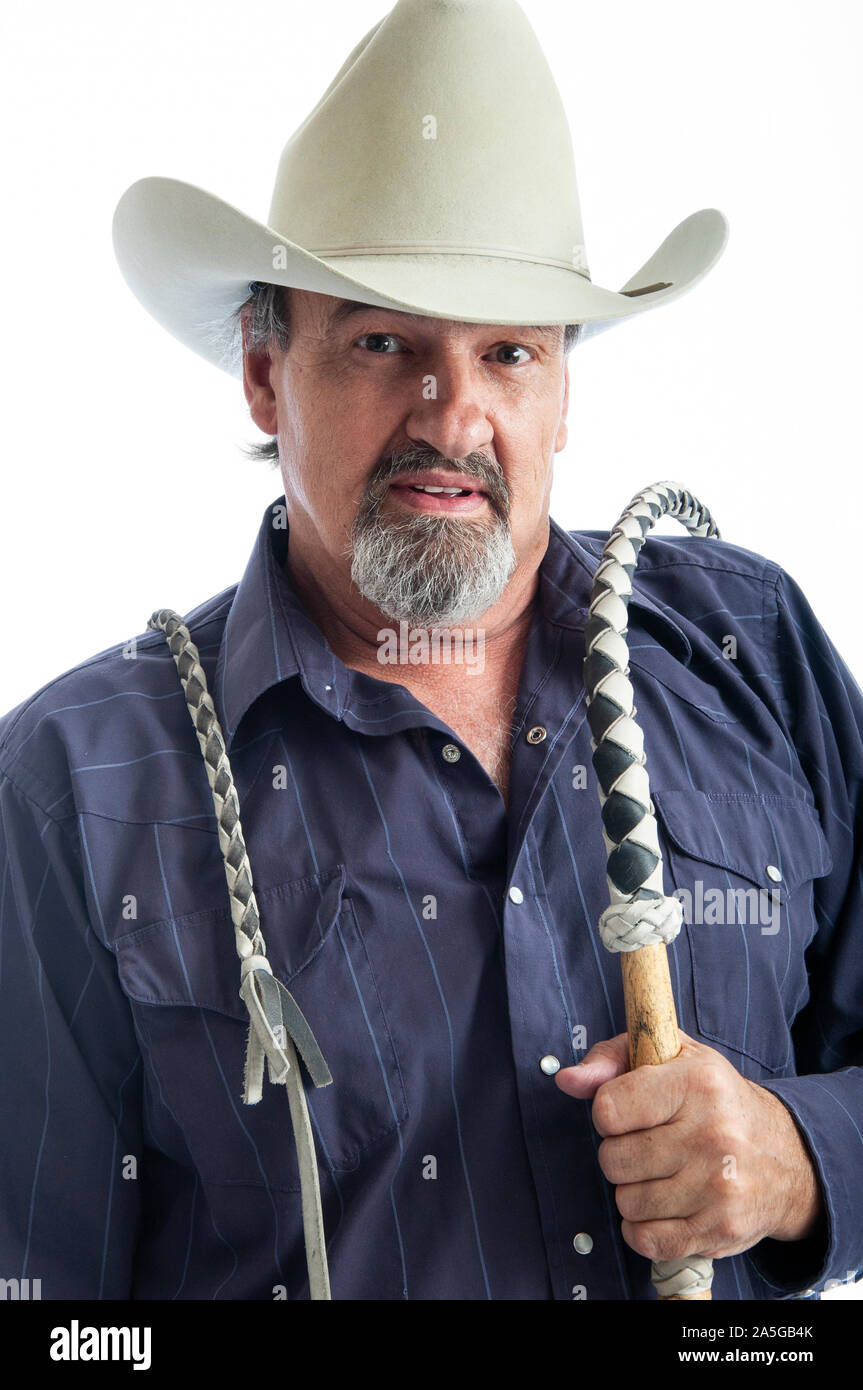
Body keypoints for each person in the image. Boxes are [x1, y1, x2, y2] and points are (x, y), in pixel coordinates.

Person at [1, 0, 861, 1301]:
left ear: (563, 390)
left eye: (507, 351)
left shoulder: (754, 659)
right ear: (262, 370)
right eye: (383, 342)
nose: (450, 412)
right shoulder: (73, 786)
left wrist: (805, 1161)